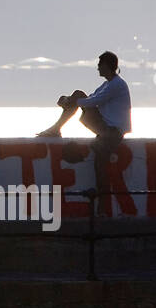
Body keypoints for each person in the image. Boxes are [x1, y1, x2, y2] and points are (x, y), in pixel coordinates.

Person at [37, 50, 131, 216]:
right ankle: (56, 129)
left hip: (112, 132)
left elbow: (96, 101)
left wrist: (71, 101)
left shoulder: (117, 84)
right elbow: (93, 96)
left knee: (100, 168)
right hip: (105, 127)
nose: (97, 69)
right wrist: (71, 99)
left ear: (107, 66)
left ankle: (102, 207)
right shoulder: (108, 84)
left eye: (99, 65)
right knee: (78, 95)